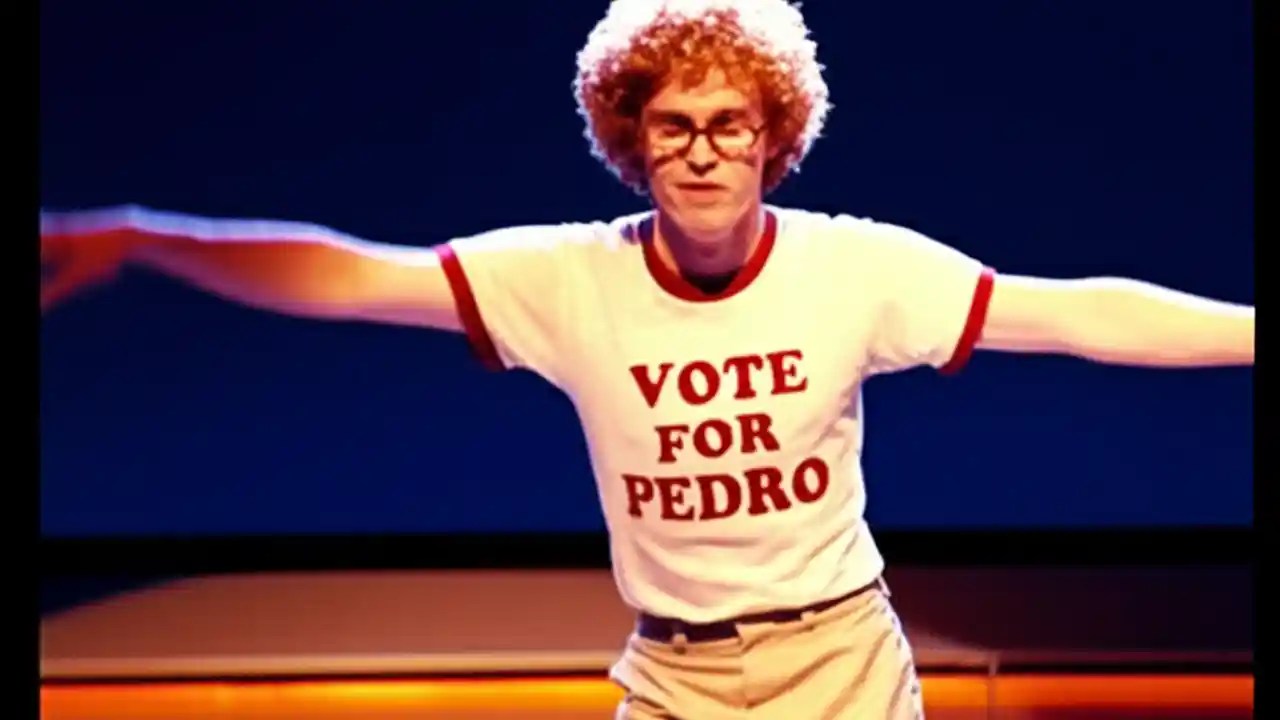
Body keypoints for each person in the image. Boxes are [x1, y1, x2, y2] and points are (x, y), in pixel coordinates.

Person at [39, 1, 1253, 717]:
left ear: (774, 138)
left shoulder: (854, 267)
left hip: (834, 664)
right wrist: (147, 238)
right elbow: (350, 274)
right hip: (670, 676)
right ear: (631, 138)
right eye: (672, 125)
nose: (703, 152)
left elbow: (1077, 312)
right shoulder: (569, 277)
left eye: (731, 124)